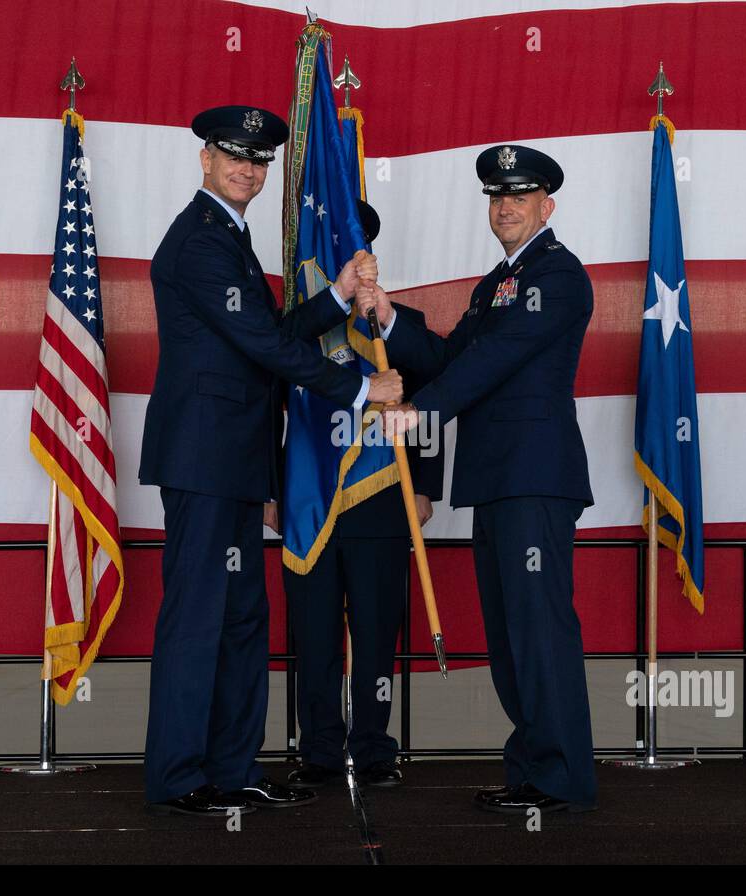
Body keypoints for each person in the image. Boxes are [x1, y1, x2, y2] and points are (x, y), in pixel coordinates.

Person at [139, 105, 402, 816]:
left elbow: (271, 329)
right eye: (234, 156)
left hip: (233, 461)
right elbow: (266, 348)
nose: (248, 168)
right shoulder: (200, 242)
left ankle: (228, 769)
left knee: (242, 618)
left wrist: (339, 296)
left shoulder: (230, 238)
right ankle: (178, 774)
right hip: (203, 460)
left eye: (258, 160)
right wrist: (358, 386)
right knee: (199, 617)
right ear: (204, 160)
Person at [358, 144, 597, 813]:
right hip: (496, 478)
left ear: (546, 205)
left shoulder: (559, 275)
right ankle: (531, 770)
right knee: (510, 631)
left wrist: (417, 415)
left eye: (518, 198)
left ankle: (560, 779)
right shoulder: (495, 284)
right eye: (497, 198)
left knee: (539, 629)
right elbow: (443, 357)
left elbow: (491, 361)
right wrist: (388, 318)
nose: (506, 208)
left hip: (534, 476)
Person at [281, 202, 445, 791]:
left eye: (357, 247)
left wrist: (423, 486)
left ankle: (374, 746)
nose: (347, 259)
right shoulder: (296, 327)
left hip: (380, 497)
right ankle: (321, 749)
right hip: (310, 498)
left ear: (370, 254)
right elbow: (270, 412)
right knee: (316, 634)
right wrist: (271, 490)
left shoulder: (399, 323)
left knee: (377, 630)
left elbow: (432, 391)